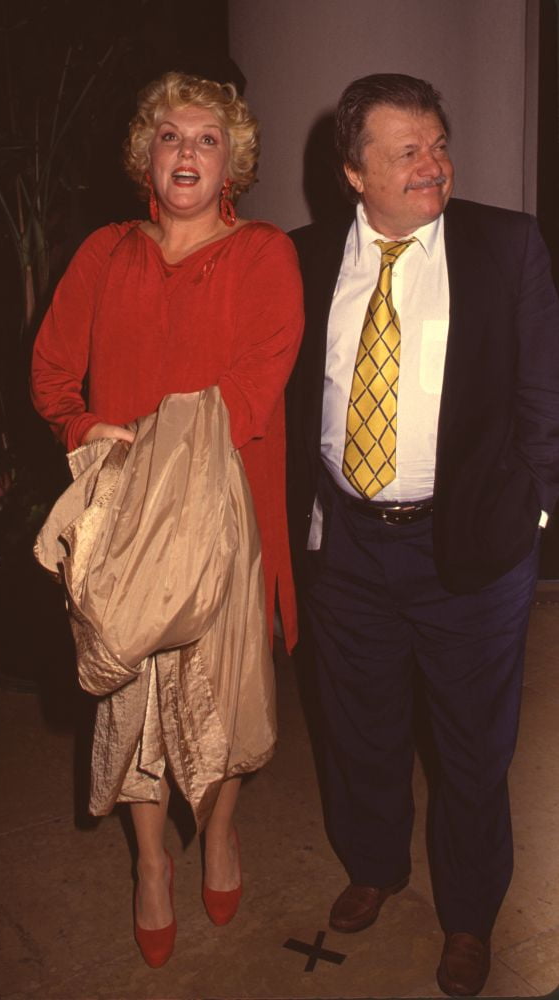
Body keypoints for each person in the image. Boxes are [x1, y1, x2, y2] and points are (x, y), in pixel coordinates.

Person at [286, 73, 559, 997]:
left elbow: (543, 399)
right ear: (353, 171)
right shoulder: (301, 256)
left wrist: (537, 514)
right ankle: (375, 867)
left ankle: (471, 914)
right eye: (408, 152)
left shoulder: (505, 244)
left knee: (473, 750)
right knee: (357, 726)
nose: (434, 165)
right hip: (348, 546)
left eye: (439, 144)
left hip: (472, 549)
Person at [31, 71, 303, 967]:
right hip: (123, 529)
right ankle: (151, 861)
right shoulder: (104, 253)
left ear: (233, 162)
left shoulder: (264, 252)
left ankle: (219, 829)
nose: (187, 153)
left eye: (207, 139)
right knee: (133, 704)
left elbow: (257, 384)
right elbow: (52, 374)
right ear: (147, 153)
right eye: (171, 137)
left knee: (224, 703)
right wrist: (81, 425)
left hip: (229, 512)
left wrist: (150, 442)